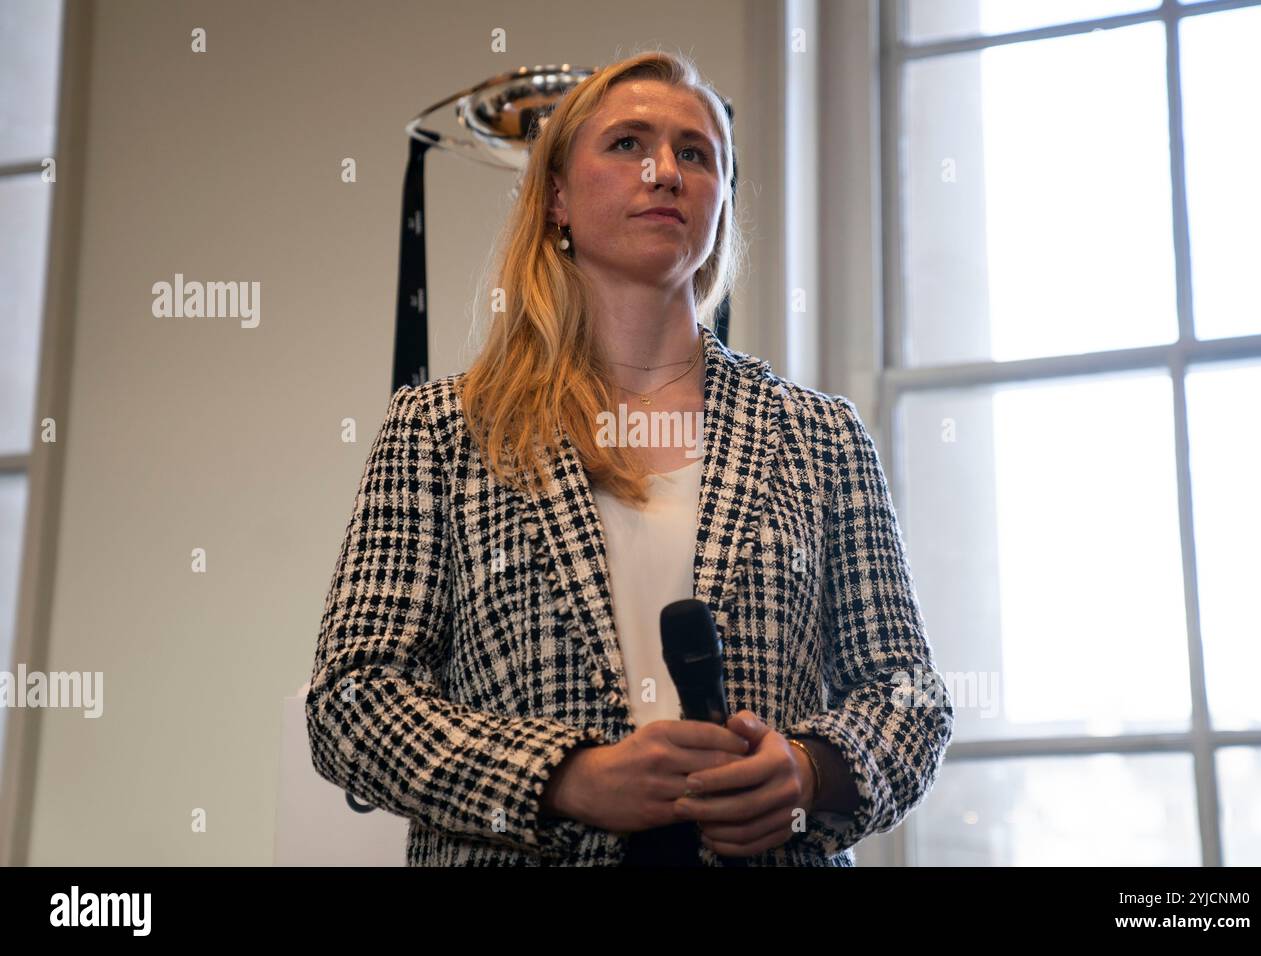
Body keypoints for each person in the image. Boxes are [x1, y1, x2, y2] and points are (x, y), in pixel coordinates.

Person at [306, 50, 954, 867]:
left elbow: (909, 695)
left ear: (720, 200)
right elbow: (354, 699)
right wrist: (565, 777)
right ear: (556, 200)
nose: (665, 172)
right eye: (627, 145)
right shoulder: (440, 432)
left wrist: (806, 770)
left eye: (696, 153)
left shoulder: (818, 434)